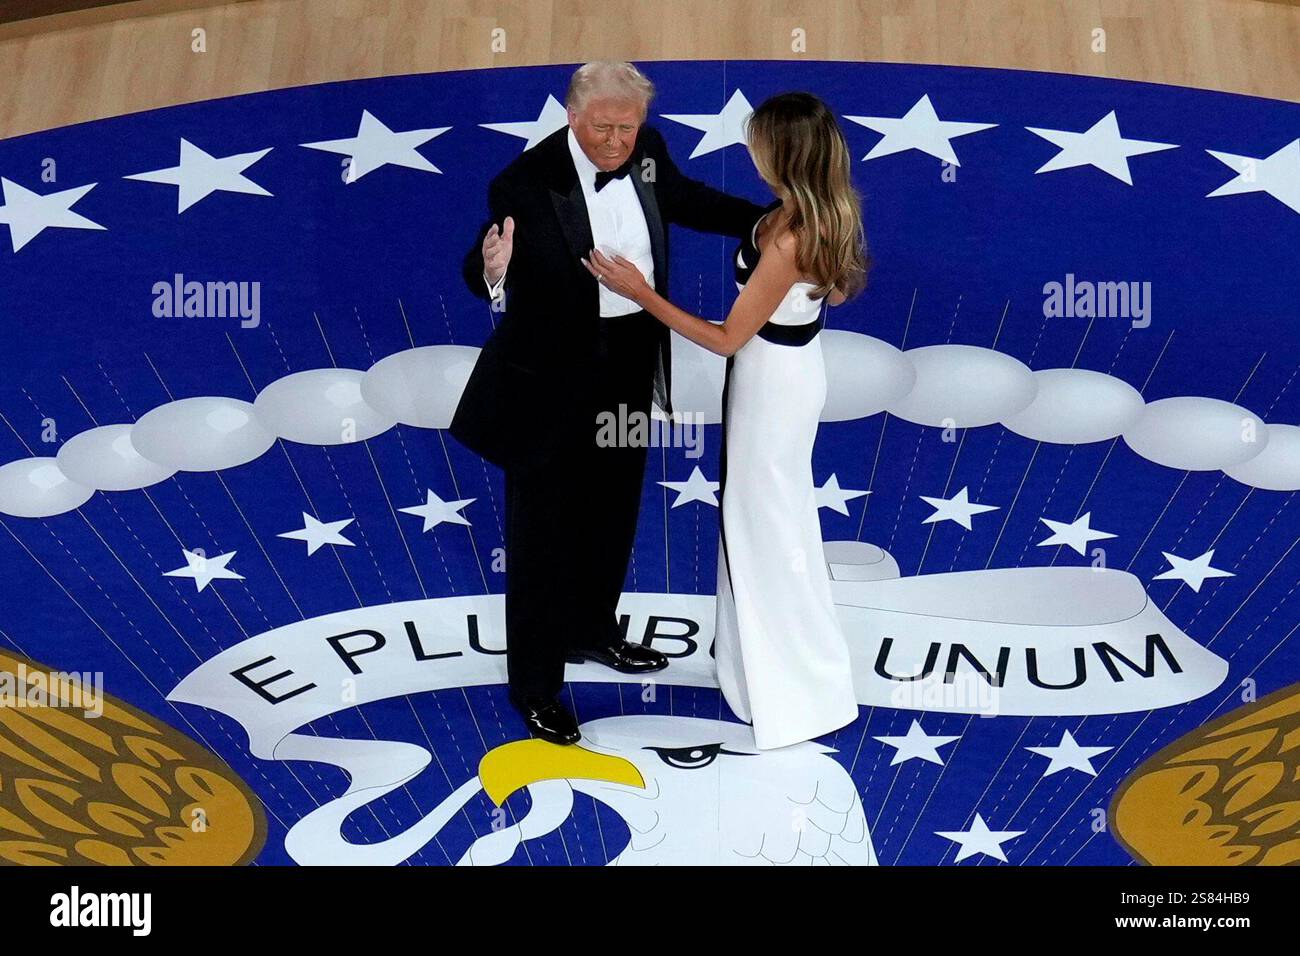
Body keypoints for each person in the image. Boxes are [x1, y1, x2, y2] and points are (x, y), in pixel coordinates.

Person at [452, 61, 771, 745]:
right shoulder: (525, 182)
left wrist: (765, 223)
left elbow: (685, 201)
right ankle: (536, 688)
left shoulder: (647, 152)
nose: (618, 141)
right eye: (604, 127)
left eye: (629, 127)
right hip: (550, 379)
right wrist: (493, 269)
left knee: (612, 509)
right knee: (540, 539)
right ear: (573, 116)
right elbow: (478, 265)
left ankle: (595, 631)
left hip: (628, 362)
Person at [583, 92, 871, 749]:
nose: (750, 150)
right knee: (756, 522)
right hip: (780, 375)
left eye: (759, 142)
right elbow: (844, 285)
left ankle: (802, 693)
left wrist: (641, 293)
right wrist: (801, 307)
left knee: (767, 526)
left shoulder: (794, 236)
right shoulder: (816, 212)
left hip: (774, 387)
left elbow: (723, 339)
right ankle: (754, 674)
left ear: (785, 154)